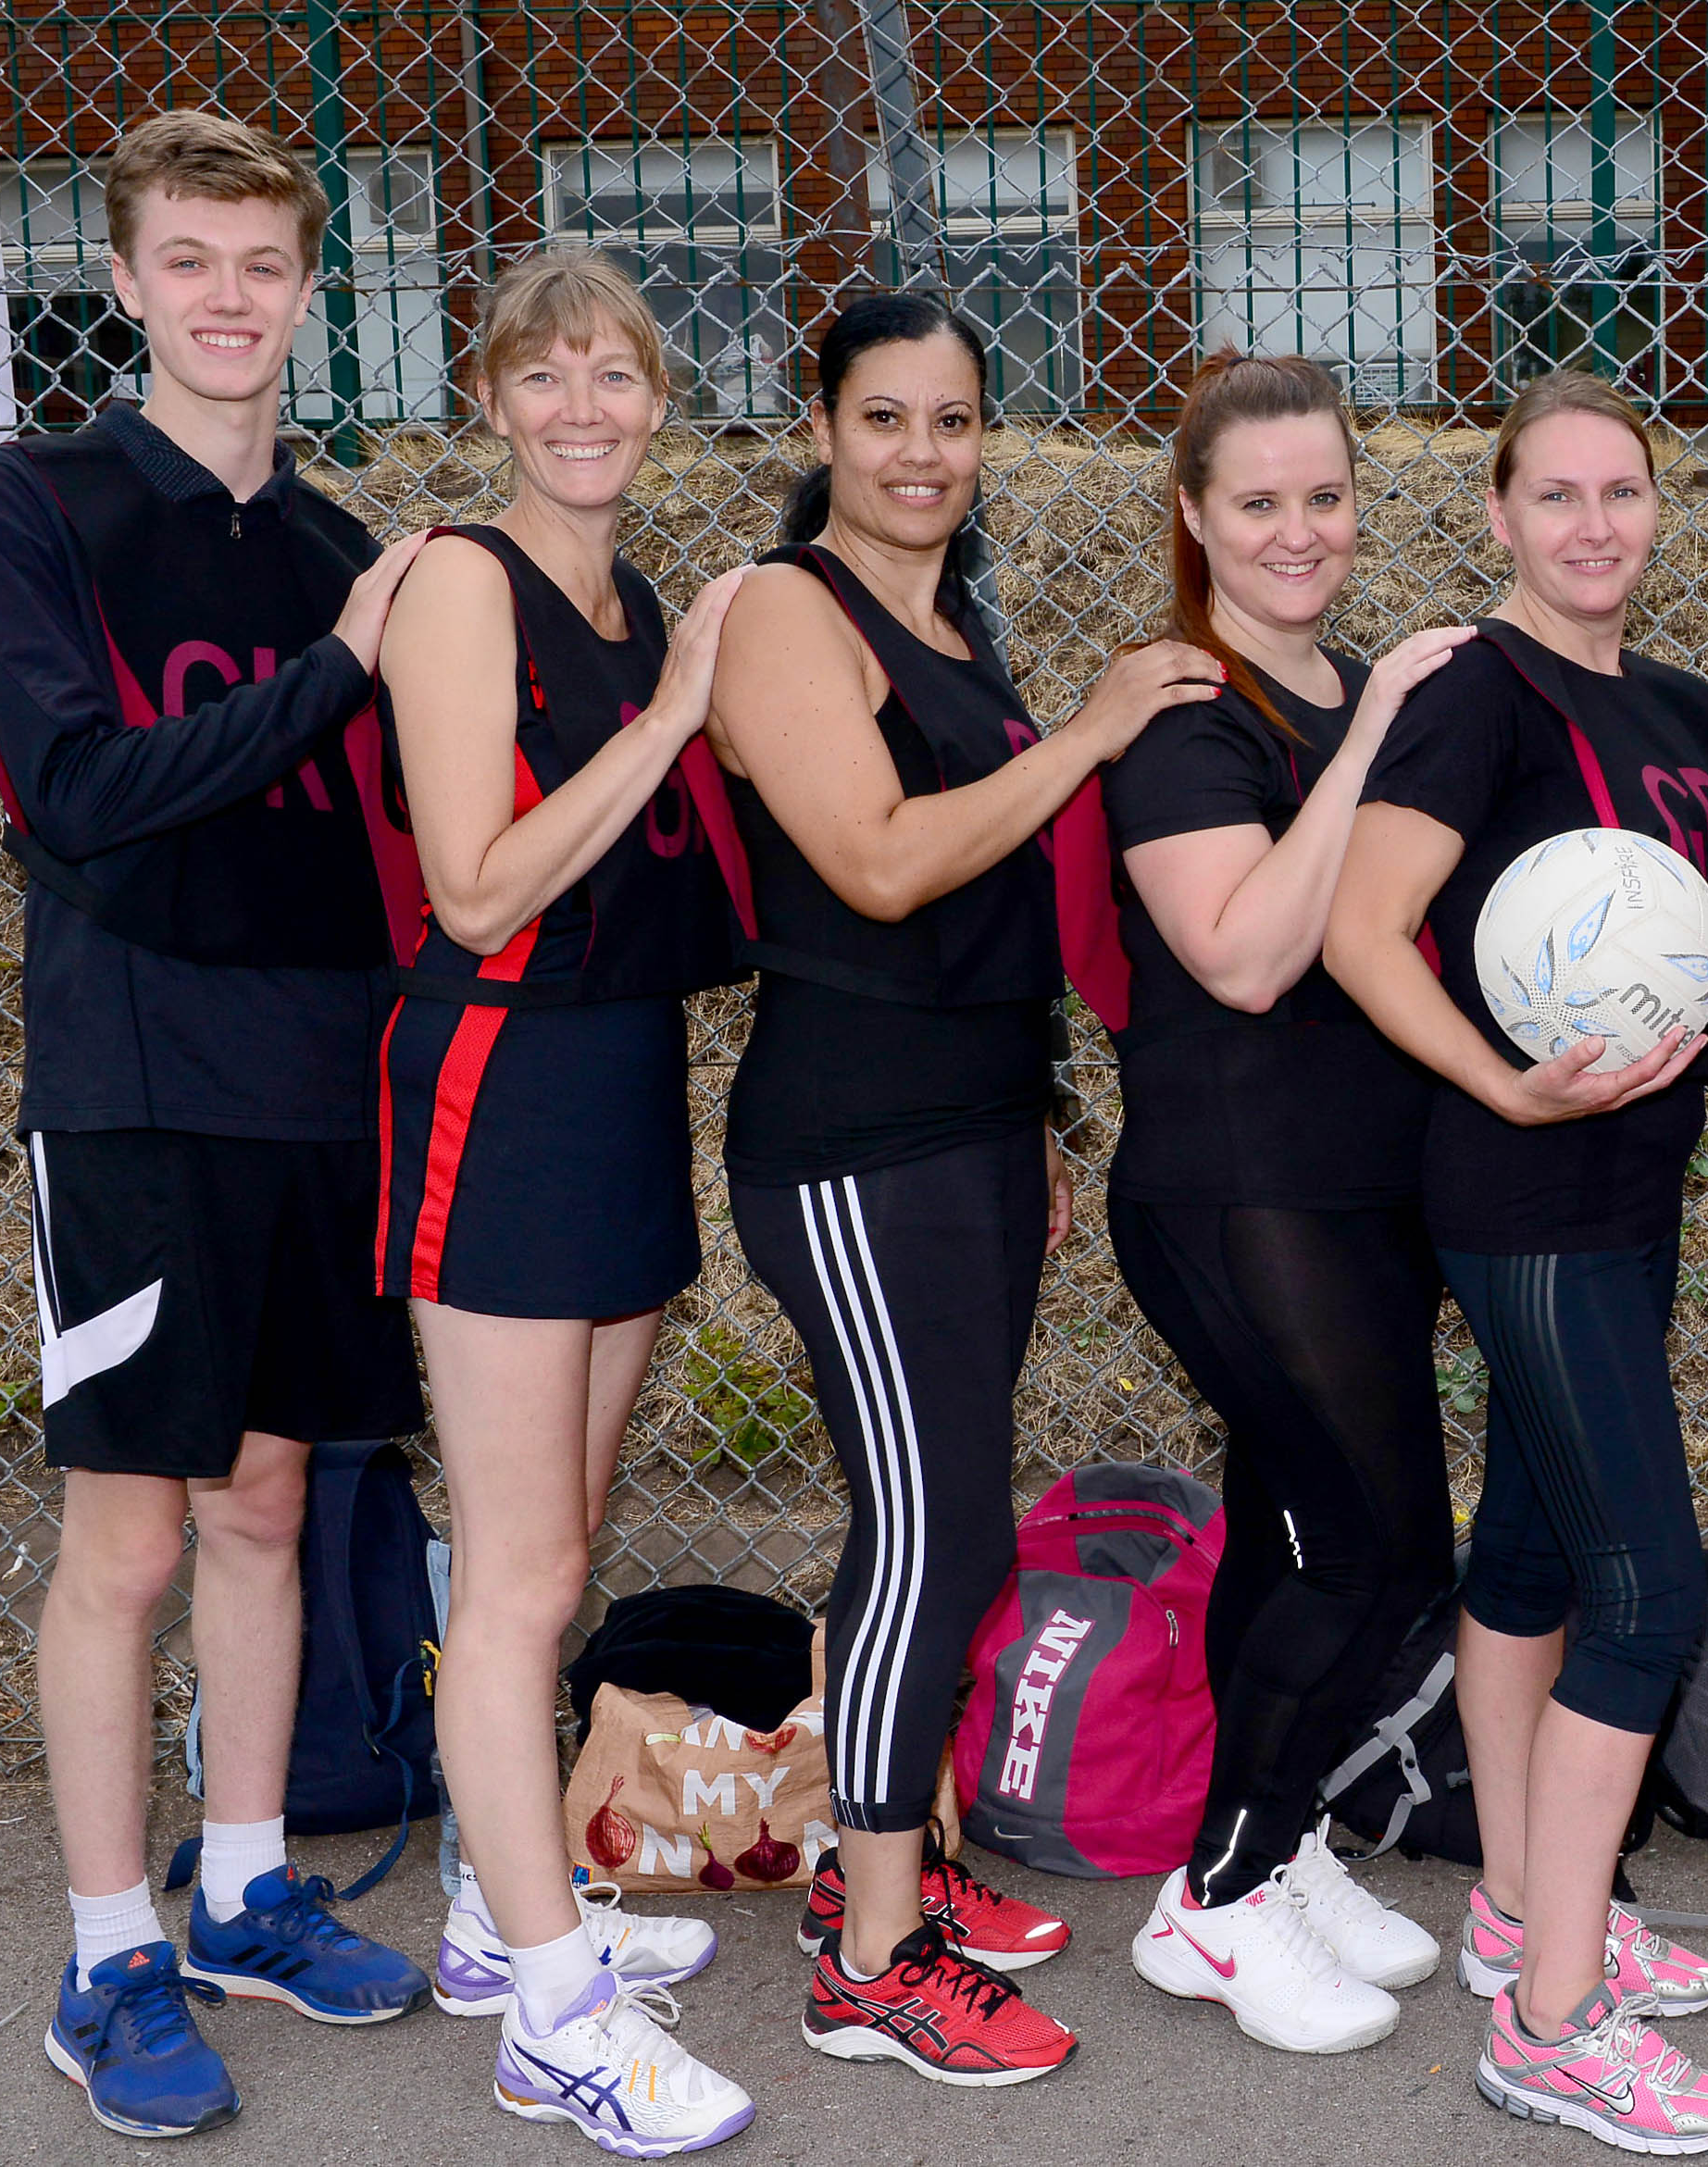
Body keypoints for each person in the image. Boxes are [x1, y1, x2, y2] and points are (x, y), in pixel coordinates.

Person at [1326, 367, 1708, 2154]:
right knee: (1643, 1588)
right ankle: (1553, 2022)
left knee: (1534, 1552)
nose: (1592, 524)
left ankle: (1509, 1910)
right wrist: (1501, 1081)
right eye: (1555, 495)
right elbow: (1361, 926)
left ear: (1657, 507)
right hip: (1525, 1186)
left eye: (1621, 491)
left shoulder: (1683, 705)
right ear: (1498, 515)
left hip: (1639, 1186)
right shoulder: (1480, 695)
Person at [0, 108, 438, 2140]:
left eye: (264, 265)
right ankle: (105, 1953)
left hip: (325, 1081)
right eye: (188, 261)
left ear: (308, 290)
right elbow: (80, 796)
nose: (227, 299)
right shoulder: (28, 503)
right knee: (136, 1530)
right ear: (131, 282)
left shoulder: (347, 547)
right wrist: (342, 668)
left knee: (270, 1500)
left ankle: (247, 1890)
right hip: (142, 1079)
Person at [707, 291, 1219, 2086]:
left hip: (974, 1132)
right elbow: (878, 860)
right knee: (945, 1532)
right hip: (852, 1147)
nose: (922, 453)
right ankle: (870, 1959)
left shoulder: (947, 619)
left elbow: (1002, 909)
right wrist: (1080, 735)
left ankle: (895, 1854)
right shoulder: (789, 611)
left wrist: (1046, 1122)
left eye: (952, 420)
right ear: (823, 428)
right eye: (886, 419)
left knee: (912, 1527)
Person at [373, 246, 755, 2151]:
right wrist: (675, 708)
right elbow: (475, 885)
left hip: (616, 1082)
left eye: (616, 375)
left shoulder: (631, 594)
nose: (584, 407)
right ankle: (552, 2017)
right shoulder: (463, 580)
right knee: (517, 1573)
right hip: (501, 1082)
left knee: (562, 1544)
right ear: (496, 400)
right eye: (548, 377)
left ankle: (481, 1899)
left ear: (657, 400)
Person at [1091, 351, 1473, 2053]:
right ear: (1194, 515)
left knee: (1292, 1532)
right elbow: (1242, 953)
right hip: (1237, 1192)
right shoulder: (1189, 715)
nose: (1298, 529)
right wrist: (1385, 717)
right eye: (1259, 502)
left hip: (1360, 1187)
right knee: (1380, 1545)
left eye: (1324, 495)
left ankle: (1277, 1836)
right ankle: (1220, 1893)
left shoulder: (1328, 702)